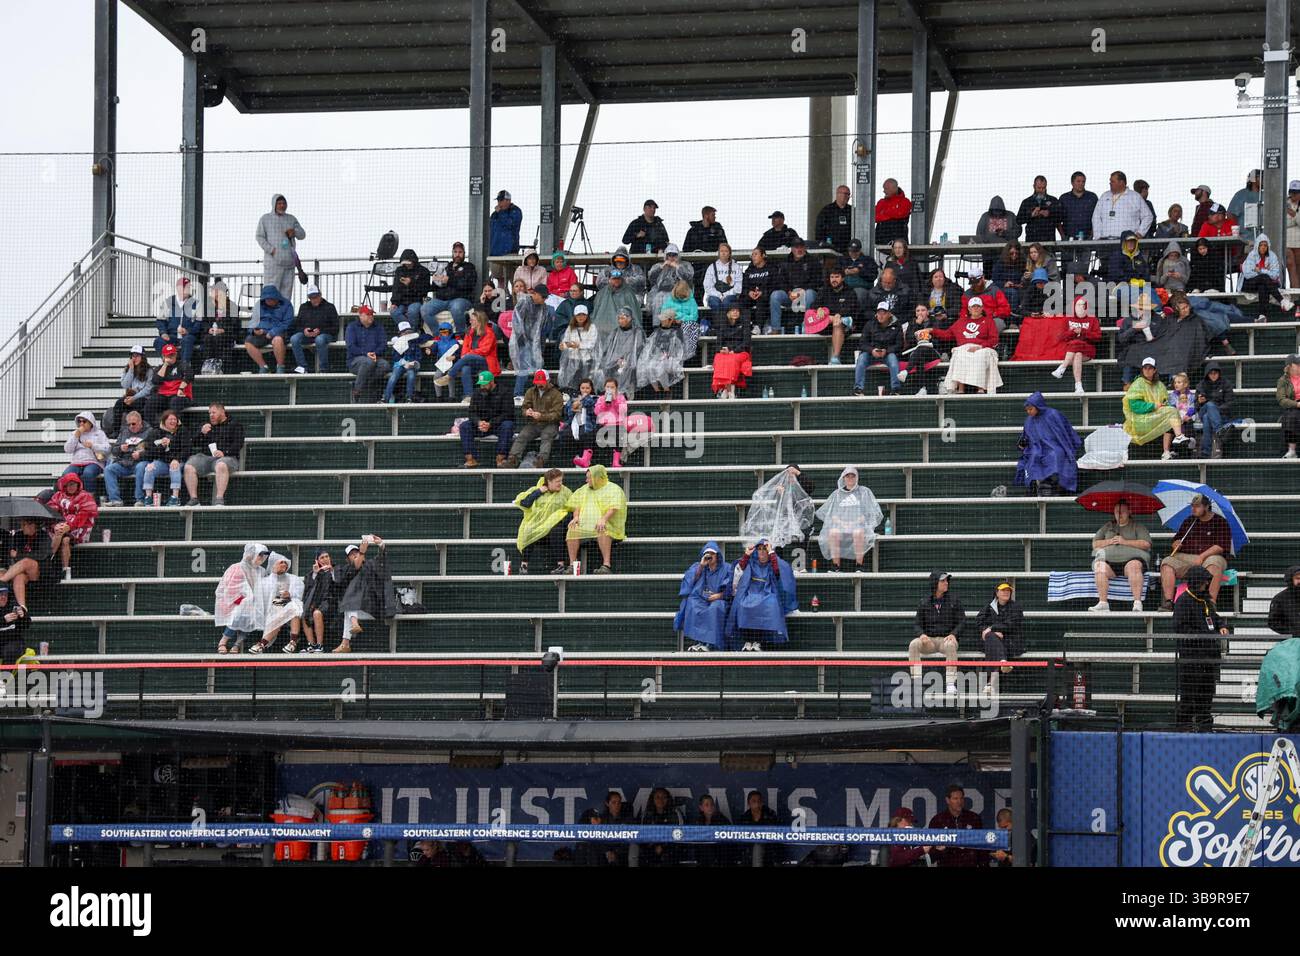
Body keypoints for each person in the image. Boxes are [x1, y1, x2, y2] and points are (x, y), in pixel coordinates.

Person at [1172, 565, 1229, 731]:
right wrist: (1204, 635)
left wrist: (1222, 626)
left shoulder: (1205, 601)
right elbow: (1179, 627)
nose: (1206, 585)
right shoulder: (1183, 601)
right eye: (1204, 582)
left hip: (1209, 658)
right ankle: (1183, 729)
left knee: (1206, 695)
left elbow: (1214, 618)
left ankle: (1205, 728)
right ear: (1197, 582)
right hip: (1191, 658)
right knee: (1189, 696)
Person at [1161, 493, 1233, 609]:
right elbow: (1176, 540)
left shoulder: (1220, 522)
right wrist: (1176, 545)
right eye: (1192, 506)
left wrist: (1202, 556)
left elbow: (1220, 546)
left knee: (1214, 564)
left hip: (1211, 557)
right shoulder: (1189, 521)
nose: (1193, 509)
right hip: (1187, 557)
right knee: (1167, 562)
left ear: (1206, 507)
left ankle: (1210, 602)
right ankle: (1169, 602)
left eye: (1197, 506)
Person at [726, 539, 797, 651]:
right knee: (743, 605)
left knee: (769, 604)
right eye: (759, 549)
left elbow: (778, 571)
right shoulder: (751, 561)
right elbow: (740, 568)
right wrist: (746, 554)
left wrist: (771, 552)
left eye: (764, 549)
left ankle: (758, 642)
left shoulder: (772, 562)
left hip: (767, 592)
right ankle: (748, 640)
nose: (762, 552)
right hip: (751, 591)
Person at [1090, 498, 1153, 613]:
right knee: (1099, 565)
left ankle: (1137, 603)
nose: (1119, 515)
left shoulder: (1138, 526)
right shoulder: (1108, 526)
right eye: (1116, 512)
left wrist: (1125, 541)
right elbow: (1095, 544)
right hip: (1109, 562)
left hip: (1130, 561)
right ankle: (1103, 603)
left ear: (1129, 512)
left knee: (1134, 565)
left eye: (1122, 512)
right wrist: (1109, 541)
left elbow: (1146, 544)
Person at [334, 535, 395, 653]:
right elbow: (354, 568)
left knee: (348, 607)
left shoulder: (371, 564)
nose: (355, 554)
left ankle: (346, 641)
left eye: (357, 552)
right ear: (348, 559)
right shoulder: (345, 570)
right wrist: (361, 552)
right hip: (356, 609)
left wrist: (381, 545)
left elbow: (382, 560)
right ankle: (346, 641)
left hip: (373, 606)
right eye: (352, 554)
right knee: (348, 608)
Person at [1122, 357, 1191, 461]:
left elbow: (1166, 403)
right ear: (1142, 370)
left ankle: (1166, 452)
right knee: (1172, 413)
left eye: (1150, 368)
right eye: (1145, 368)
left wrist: (1164, 405)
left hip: (1155, 417)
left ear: (1154, 370)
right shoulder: (1138, 384)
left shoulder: (1160, 385)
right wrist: (1153, 406)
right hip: (1140, 421)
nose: (1147, 370)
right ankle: (1179, 437)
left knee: (1173, 414)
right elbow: (1134, 406)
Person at [815, 466, 882, 571]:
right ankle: (835, 566)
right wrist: (842, 523)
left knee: (858, 533)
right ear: (843, 478)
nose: (850, 478)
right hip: (841, 526)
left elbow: (869, 512)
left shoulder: (864, 492)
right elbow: (831, 514)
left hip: (859, 526)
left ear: (856, 478)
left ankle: (859, 566)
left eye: (853, 476)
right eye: (847, 476)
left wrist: (854, 522)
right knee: (833, 533)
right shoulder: (836, 494)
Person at [1015, 392, 1083, 496]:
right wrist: (1023, 443)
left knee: (1055, 454)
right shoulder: (1029, 420)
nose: (1029, 412)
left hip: (1055, 446)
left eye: (1030, 409)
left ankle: (1052, 485)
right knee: (1033, 456)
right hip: (1036, 448)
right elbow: (1025, 436)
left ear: (1038, 406)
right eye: (1027, 410)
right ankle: (1035, 486)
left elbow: (1065, 432)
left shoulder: (1053, 415)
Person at [565, 463, 627, 574]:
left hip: (607, 524)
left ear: (597, 477)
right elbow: (576, 505)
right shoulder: (584, 489)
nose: (586, 480)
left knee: (602, 528)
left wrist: (604, 519)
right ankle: (573, 566)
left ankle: (606, 565)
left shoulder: (613, 488)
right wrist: (576, 517)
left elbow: (614, 507)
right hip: (585, 524)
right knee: (572, 529)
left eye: (589, 478)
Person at [909, 571, 965, 694]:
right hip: (929, 641)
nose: (946, 583)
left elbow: (962, 622)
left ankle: (950, 683)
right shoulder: (924, 601)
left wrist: (953, 634)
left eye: (947, 580)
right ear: (935, 583)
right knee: (914, 644)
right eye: (943, 581)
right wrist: (922, 635)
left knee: (950, 645)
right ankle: (916, 682)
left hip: (946, 640)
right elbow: (917, 624)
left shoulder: (954, 600)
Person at [933, 298, 1002, 394]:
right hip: (964, 348)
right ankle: (961, 389)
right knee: (959, 354)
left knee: (980, 355)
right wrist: (932, 330)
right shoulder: (961, 321)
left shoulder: (988, 321)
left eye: (978, 306)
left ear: (982, 308)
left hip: (982, 347)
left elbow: (994, 339)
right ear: (969, 309)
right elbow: (947, 334)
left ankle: (980, 388)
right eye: (973, 306)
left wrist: (980, 346)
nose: (976, 308)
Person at [183, 402, 245, 507]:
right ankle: (194, 499)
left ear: (222, 412)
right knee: (189, 466)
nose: (211, 415)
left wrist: (224, 452)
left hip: (229, 458)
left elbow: (238, 443)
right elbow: (193, 442)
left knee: (221, 464)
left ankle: (219, 499)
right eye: (209, 413)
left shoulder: (235, 424)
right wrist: (201, 433)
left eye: (214, 412)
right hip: (208, 458)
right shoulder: (207, 425)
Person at [675, 542, 734, 651]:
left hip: (719, 600)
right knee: (692, 604)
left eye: (712, 553)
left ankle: (710, 644)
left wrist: (719, 595)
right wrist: (701, 566)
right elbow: (690, 582)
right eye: (707, 554)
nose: (709, 556)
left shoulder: (727, 568)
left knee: (715, 608)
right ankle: (699, 642)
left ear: (717, 555)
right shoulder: (699, 567)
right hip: (702, 600)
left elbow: (732, 587)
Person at [512, 468, 571, 575]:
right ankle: (524, 565)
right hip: (538, 525)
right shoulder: (536, 490)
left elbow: (572, 506)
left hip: (555, 527)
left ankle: (560, 565)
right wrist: (538, 492)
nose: (560, 484)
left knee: (556, 530)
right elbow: (525, 503)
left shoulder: (565, 491)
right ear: (549, 481)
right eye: (557, 481)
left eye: (561, 481)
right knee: (528, 530)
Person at [742, 466, 815, 551]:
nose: (791, 478)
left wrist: (798, 473)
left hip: (801, 523)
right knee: (776, 534)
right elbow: (775, 510)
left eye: (793, 475)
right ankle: (778, 560)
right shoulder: (780, 489)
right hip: (783, 523)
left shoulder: (803, 488)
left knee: (801, 536)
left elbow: (811, 487)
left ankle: (801, 559)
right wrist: (781, 495)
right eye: (789, 475)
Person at [214, 543, 270, 654]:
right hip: (236, 602)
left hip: (254, 604)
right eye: (260, 555)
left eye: (264, 556)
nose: (262, 558)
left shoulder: (262, 571)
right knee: (238, 614)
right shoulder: (236, 567)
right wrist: (243, 597)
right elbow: (227, 587)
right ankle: (223, 642)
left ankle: (237, 644)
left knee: (251, 617)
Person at [439, 308, 500, 402]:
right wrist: (466, 355)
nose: (470, 322)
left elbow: (485, 350)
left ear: (479, 321)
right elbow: (464, 349)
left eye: (472, 320)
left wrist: (468, 355)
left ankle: (450, 375)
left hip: (486, 361)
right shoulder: (469, 332)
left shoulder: (489, 332)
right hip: (473, 361)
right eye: (470, 320)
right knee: (465, 368)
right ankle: (469, 396)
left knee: (469, 356)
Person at [248, 553, 304, 654]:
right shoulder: (264, 582)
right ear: (273, 565)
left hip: (290, 606)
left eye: (285, 563)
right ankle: (263, 644)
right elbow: (260, 602)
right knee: (279, 612)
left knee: (295, 606)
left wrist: (290, 594)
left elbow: (299, 596)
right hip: (272, 609)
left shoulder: (294, 579)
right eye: (281, 562)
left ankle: (292, 642)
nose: (284, 565)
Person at [506, 370, 563, 467]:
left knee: (547, 436)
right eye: (537, 383)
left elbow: (557, 414)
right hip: (534, 423)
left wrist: (542, 416)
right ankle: (513, 460)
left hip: (550, 424)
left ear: (548, 380)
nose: (539, 385)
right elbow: (524, 407)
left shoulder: (556, 394)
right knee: (522, 436)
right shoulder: (530, 391)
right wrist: (526, 412)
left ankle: (541, 460)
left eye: (542, 383)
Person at [47, 473, 97, 581]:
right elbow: (50, 511)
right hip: (61, 526)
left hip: (80, 527)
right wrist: (57, 523)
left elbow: (84, 515)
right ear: (64, 485)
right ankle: (64, 569)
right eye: (68, 484)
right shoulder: (58, 496)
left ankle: (48, 561)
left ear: (78, 484)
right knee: (62, 536)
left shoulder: (85, 496)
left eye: (73, 484)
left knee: (65, 539)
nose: (71, 487)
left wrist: (69, 526)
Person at [460, 369, 514, 468]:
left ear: (492, 382)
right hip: (481, 426)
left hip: (497, 425)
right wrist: (479, 422)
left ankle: (501, 459)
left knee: (508, 425)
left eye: (485, 384)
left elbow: (508, 413)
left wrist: (491, 423)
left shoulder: (505, 392)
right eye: (481, 384)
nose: (482, 387)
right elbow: (471, 412)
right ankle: (470, 459)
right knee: (464, 426)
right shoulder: (477, 393)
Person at [975, 583, 1023, 688]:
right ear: (997, 593)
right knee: (992, 639)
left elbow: (1012, 624)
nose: (1006, 592)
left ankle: (990, 684)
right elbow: (979, 621)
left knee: (992, 642)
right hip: (993, 641)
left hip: (1010, 641)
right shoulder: (989, 606)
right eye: (1003, 590)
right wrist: (989, 631)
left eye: (1008, 590)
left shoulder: (1016, 607)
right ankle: (1002, 662)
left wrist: (991, 629)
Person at [1049, 297, 1101, 395]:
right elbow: (1061, 336)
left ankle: (1062, 367)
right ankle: (1078, 385)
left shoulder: (1093, 319)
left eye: (1083, 305)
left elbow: (1097, 337)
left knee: (1076, 344)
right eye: (1078, 305)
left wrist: (1083, 332)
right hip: (1073, 352)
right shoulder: (1068, 318)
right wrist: (1072, 332)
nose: (1081, 307)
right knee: (1077, 353)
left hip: (1088, 349)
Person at [256, 193, 305, 294]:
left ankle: (284, 310)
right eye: (279, 203)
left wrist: (295, 232)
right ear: (274, 204)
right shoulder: (265, 219)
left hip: (289, 264)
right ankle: (270, 311)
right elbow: (259, 237)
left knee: (286, 294)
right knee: (271, 294)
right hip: (273, 264)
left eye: (284, 203)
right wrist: (271, 250)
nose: (282, 205)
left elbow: (302, 235)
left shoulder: (291, 219)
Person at [768, 238, 819, 334]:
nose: (799, 250)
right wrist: (789, 292)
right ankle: (776, 329)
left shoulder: (813, 261)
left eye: (801, 247)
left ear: (805, 248)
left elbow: (817, 281)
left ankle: (808, 326)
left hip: (807, 295)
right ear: (792, 249)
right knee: (775, 295)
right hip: (791, 295)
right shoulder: (785, 262)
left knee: (809, 294)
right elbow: (781, 281)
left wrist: (802, 291)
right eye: (796, 247)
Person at [140, 409, 189, 507]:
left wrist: (176, 459)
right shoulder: (156, 432)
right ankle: (148, 498)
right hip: (162, 462)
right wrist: (162, 446)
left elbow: (186, 449)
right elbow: (151, 451)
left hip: (177, 461)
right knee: (149, 468)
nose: (173, 421)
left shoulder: (182, 431)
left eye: (174, 419)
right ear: (164, 421)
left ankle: (175, 498)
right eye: (170, 419)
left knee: (174, 467)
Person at [102, 410, 150, 507]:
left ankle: (139, 500)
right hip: (124, 462)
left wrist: (141, 453)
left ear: (140, 422)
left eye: (133, 424)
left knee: (141, 467)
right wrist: (121, 448)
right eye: (129, 424)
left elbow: (153, 449)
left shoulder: (149, 431)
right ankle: (115, 500)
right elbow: (114, 450)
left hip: (140, 461)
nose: (131, 426)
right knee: (108, 469)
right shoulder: (124, 432)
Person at [927, 786, 985, 867]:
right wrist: (941, 850)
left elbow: (982, 846)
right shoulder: (937, 820)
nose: (959, 802)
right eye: (955, 798)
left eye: (961, 798)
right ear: (947, 800)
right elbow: (931, 852)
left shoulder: (974, 818)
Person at [508, 285, 549, 400]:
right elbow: (517, 321)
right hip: (521, 341)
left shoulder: (544, 308)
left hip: (535, 343)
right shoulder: (524, 302)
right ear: (535, 294)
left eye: (545, 297)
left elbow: (542, 328)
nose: (544, 299)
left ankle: (536, 395)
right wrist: (522, 342)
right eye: (543, 296)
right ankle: (518, 394)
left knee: (538, 367)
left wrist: (541, 346)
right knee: (523, 368)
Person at [594, 306, 645, 397]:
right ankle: (609, 396)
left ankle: (624, 396)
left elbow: (638, 348)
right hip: (614, 360)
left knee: (626, 369)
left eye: (623, 318)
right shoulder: (615, 332)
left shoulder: (637, 332)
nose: (620, 321)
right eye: (619, 318)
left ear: (629, 318)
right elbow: (607, 348)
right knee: (605, 368)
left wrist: (625, 359)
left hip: (629, 361)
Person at [103, 346, 155, 436]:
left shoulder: (149, 370)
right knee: (119, 404)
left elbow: (147, 390)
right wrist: (131, 370)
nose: (134, 358)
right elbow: (124, 384)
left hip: (143, 398)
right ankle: (116, 431)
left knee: (139, 405)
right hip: (130, 397)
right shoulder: (127, 369)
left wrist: (134, 398)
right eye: (133, 356)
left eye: (137, 356)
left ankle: (141, 431)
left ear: (143, 357)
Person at [2, 518, 52, 610]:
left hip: (38, 571)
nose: (22, 527)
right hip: (20, 570)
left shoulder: (44, 536)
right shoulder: (18, 535)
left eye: (24, 525)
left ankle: (1, 581)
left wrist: (18, 555)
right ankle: (22, 607)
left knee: (26, 561)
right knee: (19, 577)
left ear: (32, 525)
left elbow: (42, 555)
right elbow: (10, 552)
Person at [244, 284, 295, 374]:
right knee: (248, 342)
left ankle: (280, 367)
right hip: (262, 333)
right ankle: (263, 367)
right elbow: (253, 321)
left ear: (276, 298)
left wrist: (272, 332)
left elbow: (287, 323)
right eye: (266, 299)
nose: (268, 301)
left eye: (270, 299)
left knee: (278, 340)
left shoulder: (287, 304)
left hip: (279, 332)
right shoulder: (258, 304)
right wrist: (254, 330)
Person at [344, 305, 391, 403]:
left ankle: (364, 383)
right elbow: (351, 346)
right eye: (368, 314)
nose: (371, 317)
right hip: (355, 361)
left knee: (385, 365)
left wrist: (375, 353)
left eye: (372, 314)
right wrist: (366, 354)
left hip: (375, 357)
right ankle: (357, 390)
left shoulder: (378, 327)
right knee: (368, 362)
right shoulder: (352, 327)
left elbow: (383, 344)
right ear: (360, 315)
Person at [854, 304, 903, 395]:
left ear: (889, 314)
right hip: (871, 353)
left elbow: (899, 345)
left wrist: (886, 351)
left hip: (888, 353)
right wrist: (872, 350)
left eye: (883, 313)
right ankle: (858, 389)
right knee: (861, 359)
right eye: (878, 313)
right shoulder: (869, 324)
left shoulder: (897, 325)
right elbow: (862, 343)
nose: (880, 315)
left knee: (893, 360)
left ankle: (896, 389)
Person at [300, 549, 341, 654]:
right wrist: (315, 574)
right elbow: (308, 589)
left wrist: (332, 571)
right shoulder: (313, 573)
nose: (325, 559)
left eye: (327, 556)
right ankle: (312, 644)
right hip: (315, 603)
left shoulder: (337, 569)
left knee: (317, 613)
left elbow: (339, 583)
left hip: (331, 602)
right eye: (322, 558)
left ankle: (320, 645)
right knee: (304, 614)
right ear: (317, 561)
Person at [142, 342, 193, 425]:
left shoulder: (182, 365)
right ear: (163, 356)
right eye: (168, 355)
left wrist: (181, 388)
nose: (171, 357)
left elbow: (189, 375)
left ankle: (175, 427)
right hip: (165, 396)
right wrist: (165, 365)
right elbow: (155, 380)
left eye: (172, 355)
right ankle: (153, 426)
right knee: (150, 403)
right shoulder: (160, 368)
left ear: (176, 355)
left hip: (180, 396)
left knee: (175, 401)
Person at [289, 283, 337, 374]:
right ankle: (302, 367)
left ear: (320, 295)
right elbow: (297, 325)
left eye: (315, 296)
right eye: (311, 297)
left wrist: (320, 331)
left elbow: (335, 327)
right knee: (294, 339)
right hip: (306, 335)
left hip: (325, 334)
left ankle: (324, 369)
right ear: (309, 297)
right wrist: (304, 330)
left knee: (320, 339)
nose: (314, 299)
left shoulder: (330, 307)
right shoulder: (303, 307)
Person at [1092, 170, 1153, 240]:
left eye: (1113, 181)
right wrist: (1097, 236)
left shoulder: (1135, 197)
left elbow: (1148, 216)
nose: (1110, 183)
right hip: (1105, 241)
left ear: (1121, 182)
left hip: (1127, 242)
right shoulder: (1104, 196)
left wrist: (1140, 233)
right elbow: (1096, 217)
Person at [153, 276, 201, 364]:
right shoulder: (169, 302)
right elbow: (160, 320)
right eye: (185, 287)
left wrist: (187, 331)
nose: (187, 289)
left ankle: (183, 367)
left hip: (188, 336)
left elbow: (199, 324)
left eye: (188, 287)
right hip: (172, 335)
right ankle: (168, 363)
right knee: (158, 341)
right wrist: (163, 332)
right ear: (178, 288)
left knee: (187, 340)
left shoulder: (196, 304)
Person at [1241, 233, 1290, 319]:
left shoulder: (1272, 256)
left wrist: (1260, 270)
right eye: (1261, 245)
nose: (1263, 247)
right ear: (1257, 246)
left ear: (1268, 246)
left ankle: (1262, 315)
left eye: (1265, 245)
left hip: (1266, 283)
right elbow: (1248, 274)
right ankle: (1282, 301)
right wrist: (1266, 272)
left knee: (1263, 286)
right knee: (1264, 278)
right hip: (1250, 283)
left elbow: (1275, 275)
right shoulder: (1252, 255)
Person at [898, 303, 943, 396]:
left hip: (932, 352)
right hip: (917, 352)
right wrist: (917, 325)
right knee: (921, 352)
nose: (920, 312)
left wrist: (930, 338)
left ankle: (907, 372)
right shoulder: (912, 323)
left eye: (923, 310)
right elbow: (909, 340)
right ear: (915, 313)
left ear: (927, 312)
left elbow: (940, 340)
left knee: (923, 348)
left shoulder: (935, 322)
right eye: (918, 311)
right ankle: (923, 388)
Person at [818, 266, 860, 366]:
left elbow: (853, 309)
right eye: (832, 277)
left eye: (837, 277)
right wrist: (819, 308)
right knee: (834, 320)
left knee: (838, 322)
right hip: (826, 325)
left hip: (845, 326)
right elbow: (814, 305)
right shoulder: (824, 290)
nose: (834, 280)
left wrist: (840, 315)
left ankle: (835, 357)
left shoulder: (850, 292)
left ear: (843, 278)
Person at [62, 411, 110, 498]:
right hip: (76, 462)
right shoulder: (74, 433)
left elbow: (107, 448)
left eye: (84, 421)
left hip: (94, 462)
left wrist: (93, 446)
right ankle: (69, 498)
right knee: (67, 474)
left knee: (88, 474)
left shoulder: (99, 433)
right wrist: (75, 437)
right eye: (79, 421)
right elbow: (67, 449)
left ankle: (89, 498)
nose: (81, 423)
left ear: (90, 422)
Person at [637, 311, 685, 395]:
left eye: (664, 319)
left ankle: (666, 390)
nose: (662, 321)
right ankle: (657, 391)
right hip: (658, 357)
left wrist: (668, 355)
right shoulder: (657, 332)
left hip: (672, 359)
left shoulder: (677, 332)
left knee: (662, 368)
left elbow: (679, 349)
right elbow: (652, 346)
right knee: (649, 367)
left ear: (670, 320)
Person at [711, 304, 752, 399]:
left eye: (737, 310)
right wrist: (721, 349)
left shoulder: (745, 323)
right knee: (718, 358)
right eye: (733, 310)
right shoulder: (723, 324)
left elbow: (746, 342)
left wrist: (734, 351)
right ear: (728, 313)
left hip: (741, 352)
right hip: (726, 352)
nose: (735, 312)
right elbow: (718, 342)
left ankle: (727, 389)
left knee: (732, 360)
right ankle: (729, 389)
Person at [381, 319, 427, 404]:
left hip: (412, 365)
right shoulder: (398, 343)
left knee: (411, 375)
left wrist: (414, 363)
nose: (407, 334)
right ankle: (386, 398)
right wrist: (404, 363)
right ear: (400, 334)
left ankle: (409, 397)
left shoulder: (414, 342)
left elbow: (419, 356)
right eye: (404, 332)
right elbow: (395, 358)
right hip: (400, 364)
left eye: (408, 332)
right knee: (393, 377)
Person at [1195, 360, 1234, 459]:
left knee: (1208, 417)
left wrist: (1215, 410)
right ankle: (1220, 431)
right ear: (1207, 374)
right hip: (1203, 410)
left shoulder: (1226, 384)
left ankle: (1205, 452)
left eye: (1215, 373)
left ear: (1219, 373)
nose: (1213, 375)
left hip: (1221, 414)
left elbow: (1229, 403)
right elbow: (1196, 406)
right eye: (1211, 373)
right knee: (1209, 405)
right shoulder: (1201, 385)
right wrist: (1199, 402)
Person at [639, 787, 684, 867]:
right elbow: (642, 835)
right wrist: (654, 847)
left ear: (668, 799)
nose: (661, 800)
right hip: (651, 849)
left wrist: (663, 846)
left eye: (664, 797)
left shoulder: (675, 813)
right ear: (652, 799)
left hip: (671, 848)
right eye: (657, 797)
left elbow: (680, 834)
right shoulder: (646, 814)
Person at [646, 245, 694, 320]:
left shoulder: (685, 265)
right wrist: (661, 267)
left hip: (680, 292)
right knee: (658, 299)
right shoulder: (659, 265)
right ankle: (658, 327)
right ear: (666, 256)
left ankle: (678, 327)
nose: (671, 257)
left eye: (674, 255)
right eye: (669, 255)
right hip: (662, 293)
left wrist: (678, 267)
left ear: (678, 255)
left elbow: (689, 277)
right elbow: (651, 278)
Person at [200, 279, 238, 374]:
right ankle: (209, 365)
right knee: (208, 338)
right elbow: (204, 323)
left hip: (227, 335)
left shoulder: (232, 306)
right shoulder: (208, 306)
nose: (213, 293)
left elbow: (235, 325)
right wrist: (209, 329)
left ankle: (220, 365)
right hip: (212, 334)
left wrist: (223, 330)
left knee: (219, 339)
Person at [590, 377, 630, 468]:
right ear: (604, 388)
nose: (610, 389)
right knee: (591, 435)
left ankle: (616, 461)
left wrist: (615, 400)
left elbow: (623, 410)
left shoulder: (621, 397)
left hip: (617, 424)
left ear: (616, 388)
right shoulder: (601, 398)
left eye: (612, 387)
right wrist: (605, 403)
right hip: (603, 424)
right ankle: (588, 459)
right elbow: (597, 412)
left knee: (619, 435)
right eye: (608, 387)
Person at [589, 269, 641, 337]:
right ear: (609, 280)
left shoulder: (629, 294)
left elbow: (635, 313)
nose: (616, 281)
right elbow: (595, 312)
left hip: (624, 333)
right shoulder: (601, 294)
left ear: (622, 280)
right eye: (614, 279)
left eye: (618, 279)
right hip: (603, 333)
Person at [976, 196, 1021, 274]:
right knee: (989, 279)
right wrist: (986, 245)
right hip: (989, 255)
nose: (997, 213)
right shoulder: (985, 217)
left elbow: (1018, 231)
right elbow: (979, 233)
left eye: (999, 211)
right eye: (995, 211)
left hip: (1009, 255)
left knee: (1008, 276)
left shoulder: (1011, 216)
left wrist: (1005, 233)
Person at [389, 248, 431, 329]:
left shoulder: (423, 271)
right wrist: (394, 302)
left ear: (414, 261)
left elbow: (425, 290)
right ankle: (410, 330)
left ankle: (410, 331)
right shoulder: (399, 270)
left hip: (416, 300)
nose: (407, 265)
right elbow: (396, 288)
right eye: (405, 263)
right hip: (401, 301)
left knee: (412, 311)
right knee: (394, 312)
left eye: (409, 263)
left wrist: (411, 283)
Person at [740, 247, 779, 334]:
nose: (753, 257)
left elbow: (775, 285)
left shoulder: (771, 269)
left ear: (763, 255)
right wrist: (749, 292)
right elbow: (743, 286)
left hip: (765, 296)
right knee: (742, 300)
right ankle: (746, 326)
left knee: (761, 299)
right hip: (751, 296)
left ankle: (758, 327)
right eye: (752, 255)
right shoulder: (749, 271)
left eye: (756, 254)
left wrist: (763, 292)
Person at [661, 280, 701, 358]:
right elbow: (664, 313)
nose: (680, 297)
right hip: (673, 324)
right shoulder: (669, 300)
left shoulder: (691, 301)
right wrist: (674, 318)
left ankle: (686, 353)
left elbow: (694, 316)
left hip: (687, 325)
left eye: (682, 296)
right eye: (678, 294)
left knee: (690, 324)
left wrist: (682, 319)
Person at [691, 795, 734, 867]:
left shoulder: (722, 820)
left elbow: (729, 841)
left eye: (712, 804)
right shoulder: (698, 822)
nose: (710, 807)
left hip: (721, 859)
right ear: (701, 808)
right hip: (704, 859)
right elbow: (695, 843)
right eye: (707, 805)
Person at [1017, 176, 1061, 243]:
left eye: (1043, 188)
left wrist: (1049, 213)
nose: (1041, 190)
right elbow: (1019, 220)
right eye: (1039, 188)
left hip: (1049, 239)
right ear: (1034, 186)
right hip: (1032, 240)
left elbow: (1060, 218)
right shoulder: (1027, 202)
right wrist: (1031, 215)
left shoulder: (1053, 200)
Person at [840, 238, 880, 311]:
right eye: (851, 251)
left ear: (860, 250)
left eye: (855, 251)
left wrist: (859, 271)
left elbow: (873, 276)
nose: (853, 253)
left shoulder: (868, 260)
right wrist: (844, 272)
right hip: (843, 288)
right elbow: (834, 273)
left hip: (861, 289)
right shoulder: (843, 260)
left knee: (858, 293)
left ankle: (856, 318)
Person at [703, 242, 744, 313]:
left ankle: (723, 323)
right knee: (714, 302)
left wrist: (725, 295)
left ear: (729, 253)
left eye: (726, 251)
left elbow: (738, 287)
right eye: (721, 251)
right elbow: (707, 285)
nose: (723, 253)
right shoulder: (712, 267)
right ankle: (718, 323)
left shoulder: (736, 267)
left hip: (731, 295)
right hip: (714, 295)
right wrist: (719, 295)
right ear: (718, 253)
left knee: (726, 302)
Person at [1059, 171, 1099, 242]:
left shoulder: (1092, 197)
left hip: (1087, 239)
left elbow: (1098, 218)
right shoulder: (1064, 198)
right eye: (1078, 181)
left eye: (1083, 181)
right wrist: (1063, 236)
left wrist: (1092, 235)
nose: (1081, 184)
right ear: (1072, 182)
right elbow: (1058, 220)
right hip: (1068, 240)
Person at [814, 185, 854, 252]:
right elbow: (819, 230)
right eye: (844, 193)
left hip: (848, 249)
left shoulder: (852, 211)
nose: (846, 196)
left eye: (848, 194)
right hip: (831, 248)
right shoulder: (827, 210)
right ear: (837, 194)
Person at [873, 179, 912, 246]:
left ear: (894, 188)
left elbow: (901, 214)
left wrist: (884, 213)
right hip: (881, 243)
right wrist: (892, 214)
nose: (884, 191)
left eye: (886, 188)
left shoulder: (905, 201)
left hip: (899, 243)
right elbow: (874, 217)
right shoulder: (881, 202)